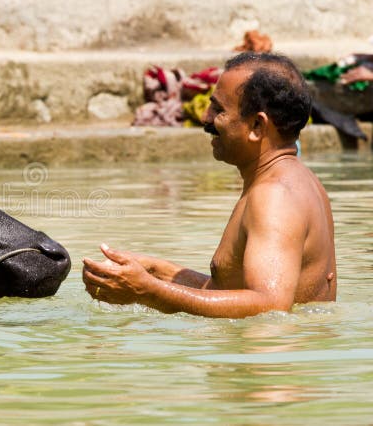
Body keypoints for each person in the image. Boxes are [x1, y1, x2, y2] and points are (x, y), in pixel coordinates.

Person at [82, 52, 337, 318]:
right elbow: (233, 290)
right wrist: (157, 273)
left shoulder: (275, 196)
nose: (205, 117)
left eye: (218, 109)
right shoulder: (300, 182)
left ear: (257, 125)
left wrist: (147, 292)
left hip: (267, 358)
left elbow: (270, 306)